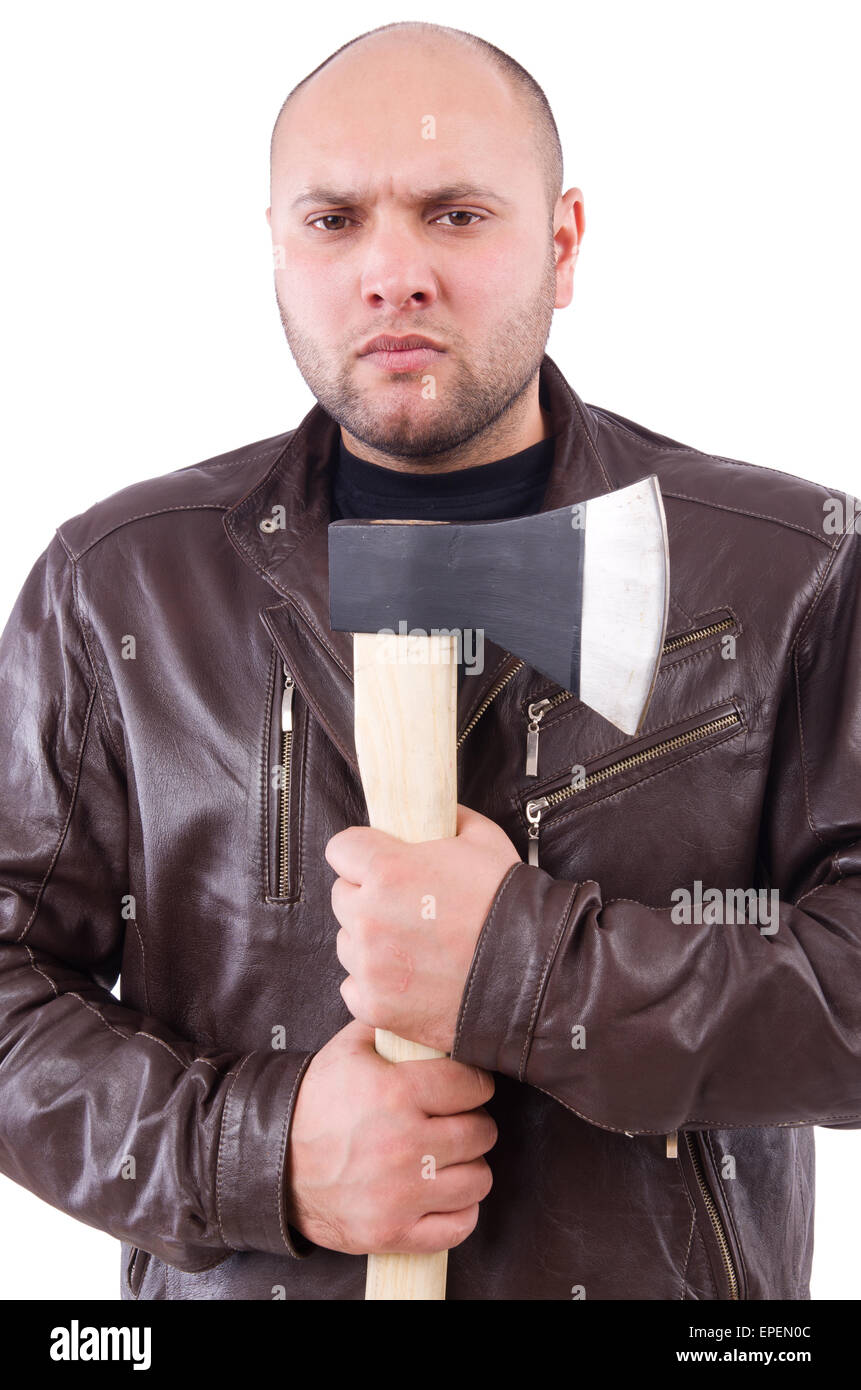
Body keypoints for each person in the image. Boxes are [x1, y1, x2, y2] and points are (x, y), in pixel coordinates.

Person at [0, 20, 858, 1302]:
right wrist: (260, 1152)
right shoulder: (121, 580)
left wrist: (527, 969)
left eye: (456, 214)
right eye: (335, 220)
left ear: (564, 244)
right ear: (278, 250)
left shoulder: (791, 567)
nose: (392, 271)